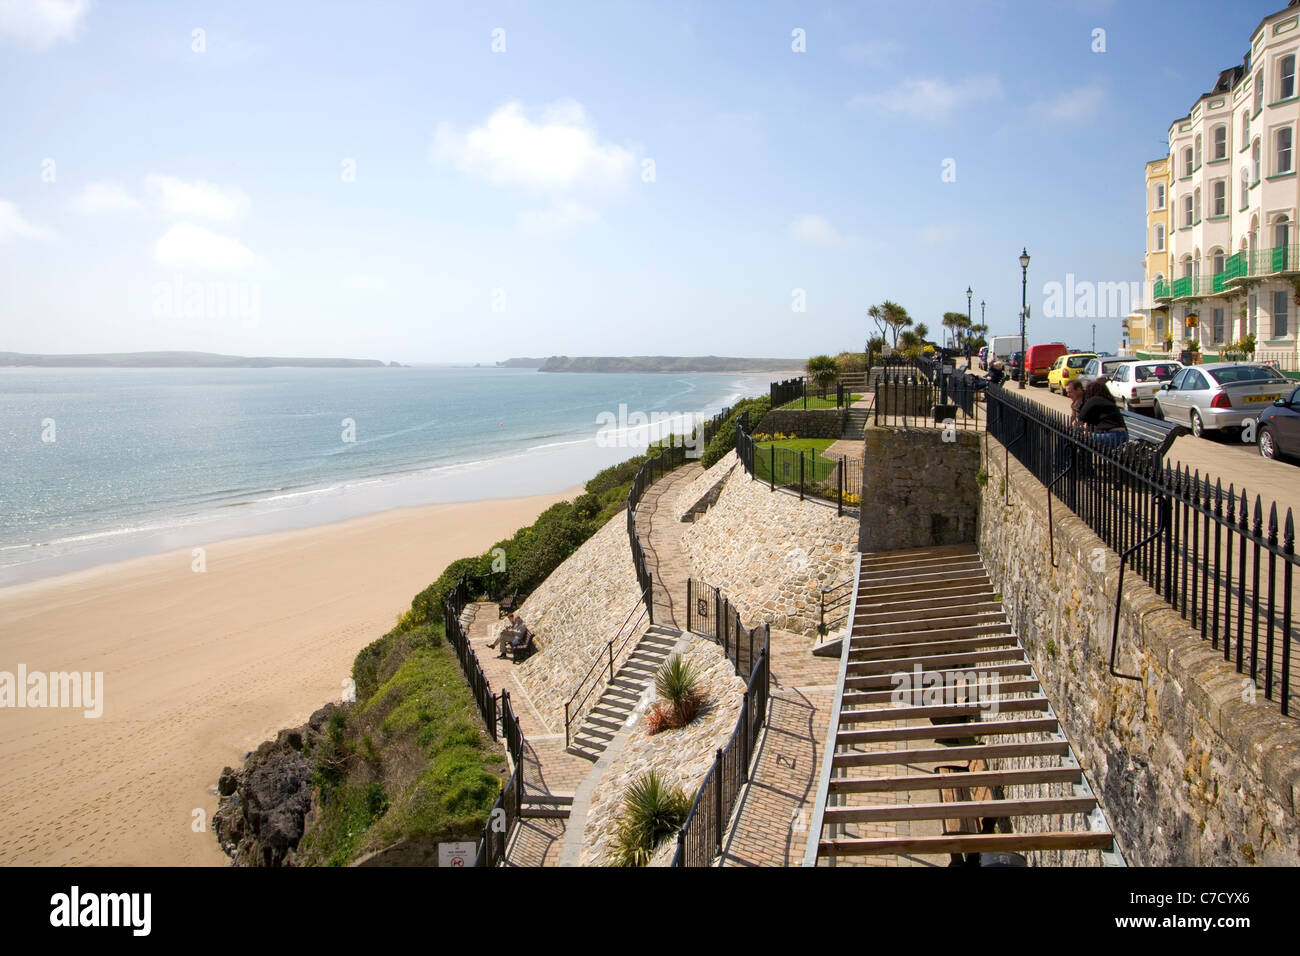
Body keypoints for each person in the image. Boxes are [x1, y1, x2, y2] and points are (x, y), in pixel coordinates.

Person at [1078, 381, 1128, 449]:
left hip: (1111, 436)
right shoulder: (1109, 403)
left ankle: (1082, 460)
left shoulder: (1094, 400)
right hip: (1124, 435)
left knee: (1080, 437)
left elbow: (1080, 419)